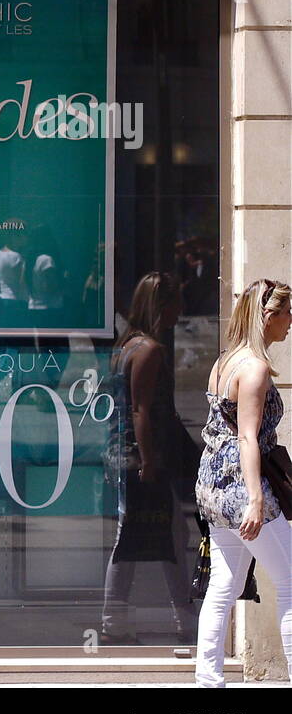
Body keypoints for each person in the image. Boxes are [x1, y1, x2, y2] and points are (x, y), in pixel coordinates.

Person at [194, 278, 292, 687]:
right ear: (267, 316)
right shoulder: (254, 369)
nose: (290, 321)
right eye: (287, 312)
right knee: (290, 584)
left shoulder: (226, 361)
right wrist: (255, 500)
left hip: (213, 485)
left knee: (224, 584)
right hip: (242, 488)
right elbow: (247, 436)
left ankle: (208, 679)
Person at [101, 272, 194, 644]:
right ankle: (176, 617)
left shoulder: (125, 347)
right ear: (162, 305)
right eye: (175, 302)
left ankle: (121, 618)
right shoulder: (149, 350)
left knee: (156, 532)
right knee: (143, 536)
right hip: (138, 457)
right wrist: (149, 460)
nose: (181, 310)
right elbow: (140, 409)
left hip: (122, 453)